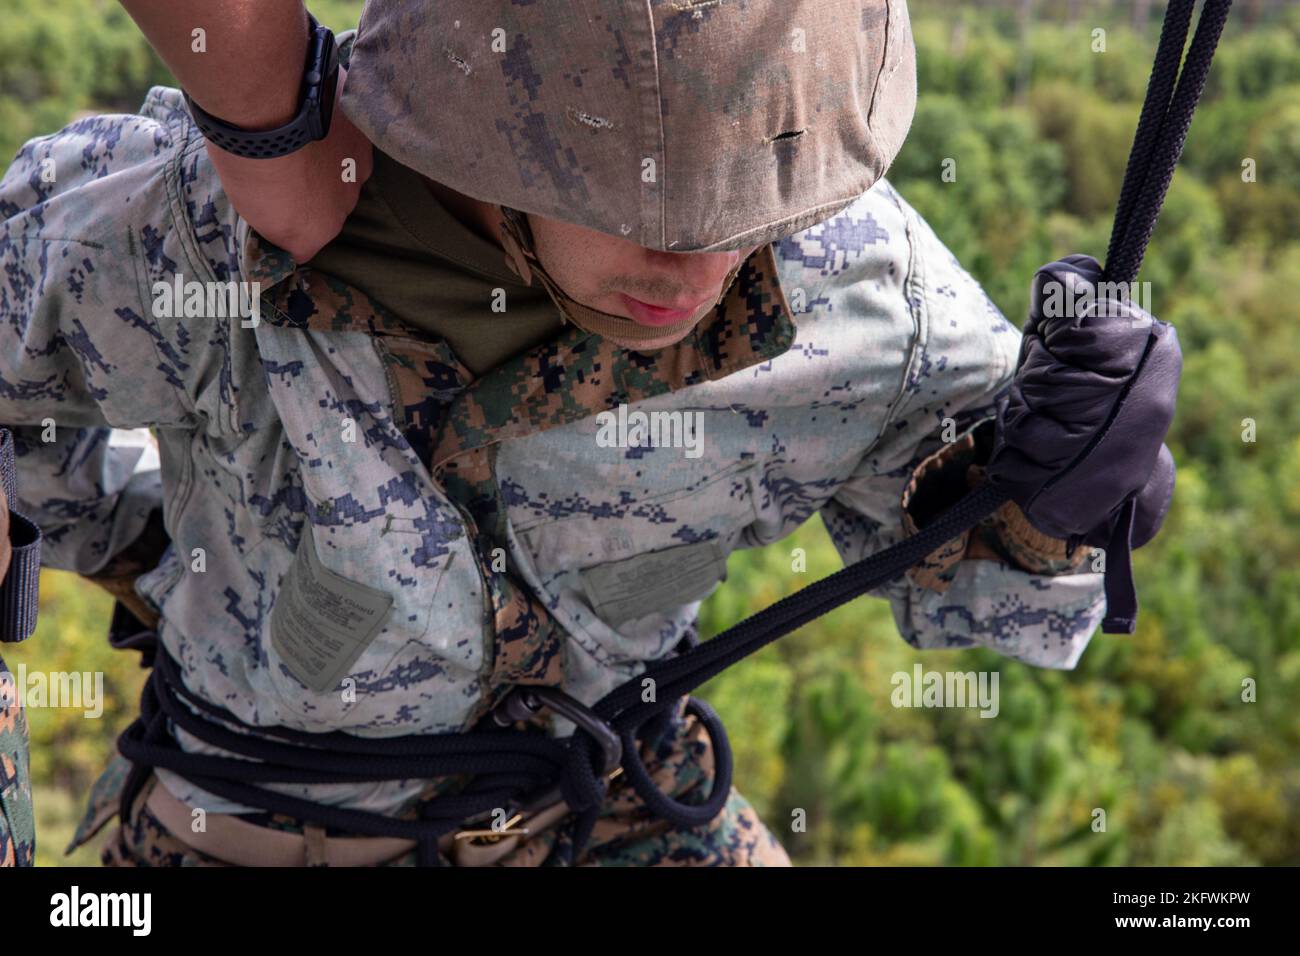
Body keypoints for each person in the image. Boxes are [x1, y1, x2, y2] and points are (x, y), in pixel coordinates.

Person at [0, 0, 1111, 867]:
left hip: (616, 807)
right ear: (477, 140)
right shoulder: (198, 247)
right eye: (645, 212)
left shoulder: (856, 283)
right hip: (248, 831)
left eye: (745, 215)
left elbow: (988, 604)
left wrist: (1057, 503)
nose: (703, 271)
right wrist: (153, 558)